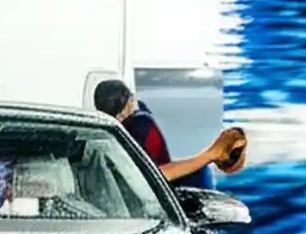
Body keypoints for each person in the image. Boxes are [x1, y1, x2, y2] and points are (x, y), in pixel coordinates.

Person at [92, 79, 246, 184]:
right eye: (131, 97)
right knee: (202, 174)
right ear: (128, 102)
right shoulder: (139, 125)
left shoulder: (97, 137)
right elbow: (155, 176)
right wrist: (210, 155)